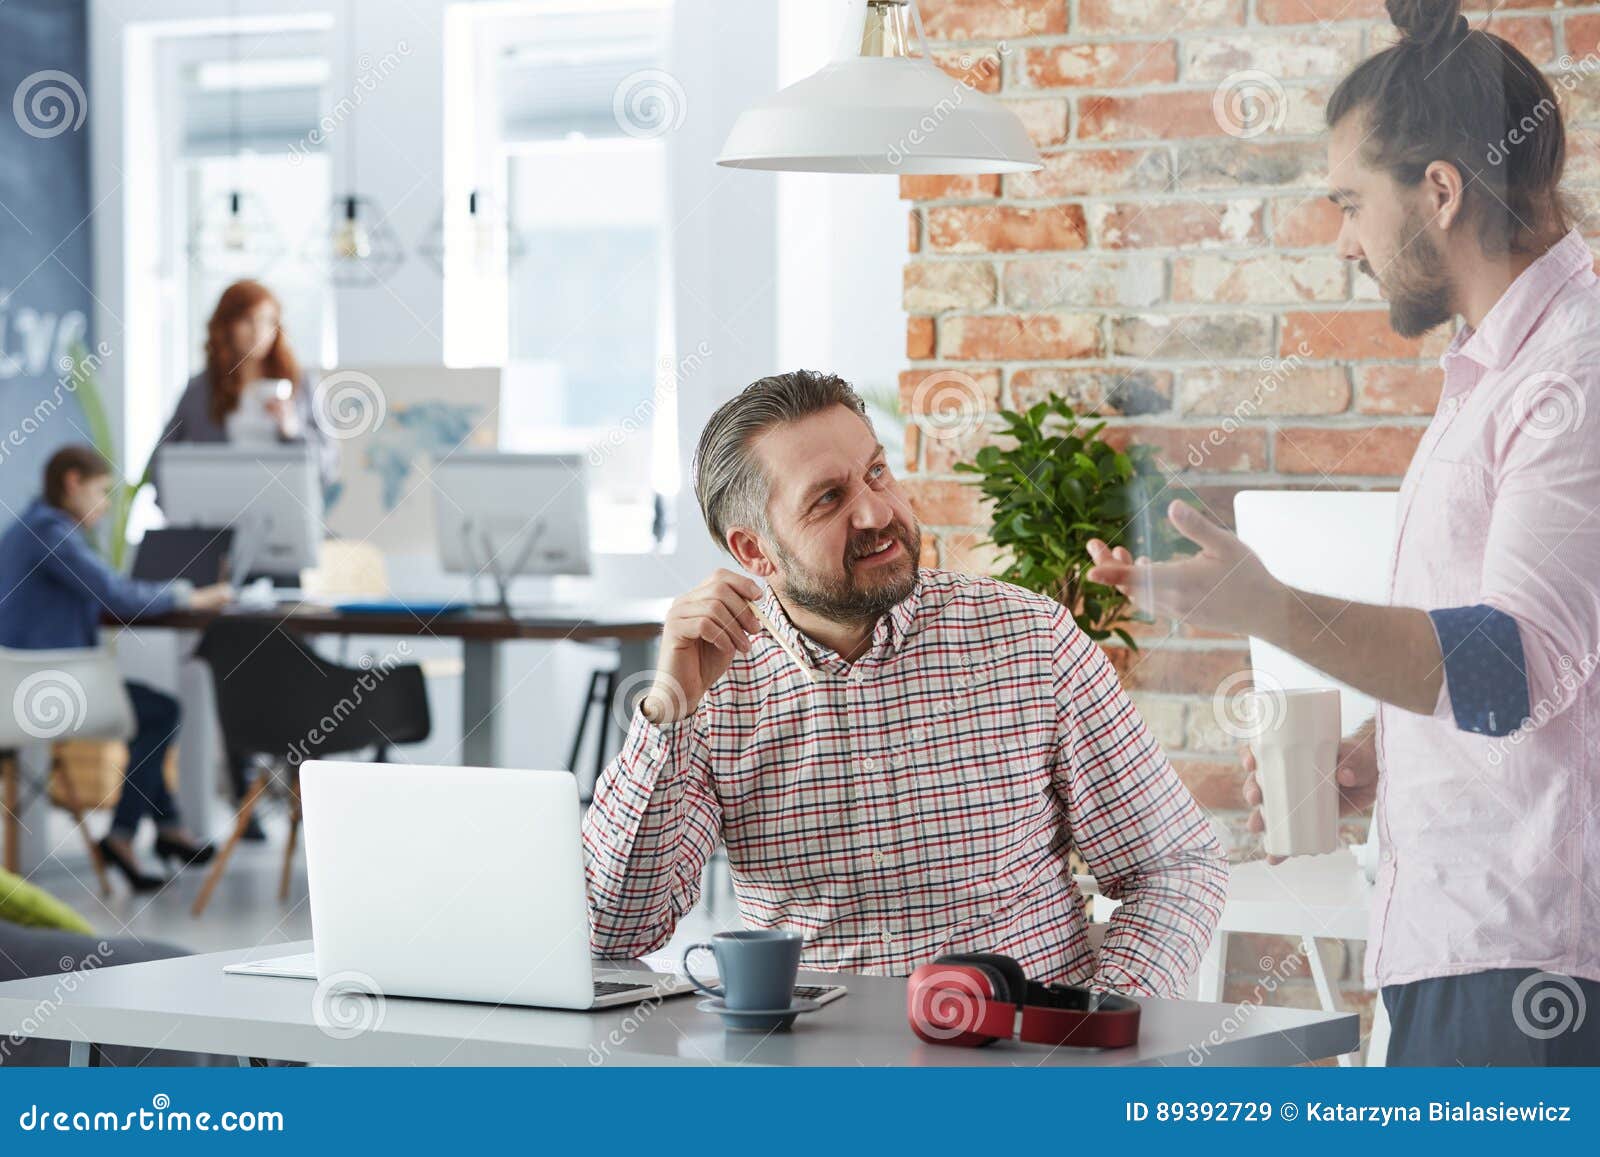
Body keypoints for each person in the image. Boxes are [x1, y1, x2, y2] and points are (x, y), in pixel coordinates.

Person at [1086, 0, 1599, 1064]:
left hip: (1532, 963)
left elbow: (1516, 663)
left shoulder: (1571, 377)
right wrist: (1387, 751)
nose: (1341, 242)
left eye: (1348, 203)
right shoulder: (1494, 369)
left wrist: (1268, 608)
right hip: (1460, 939)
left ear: (1440, 192)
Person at [582, 370, 1227, 996]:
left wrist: (1094, 1027)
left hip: (1017, 1070)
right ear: (754, 552)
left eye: (877, 472)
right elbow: (611, 930)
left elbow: (1175, 868)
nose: (875, 512)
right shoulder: (717, 687)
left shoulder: (1030, 640)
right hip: (819, 1074)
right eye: (829, 499)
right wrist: (666, 716)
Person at [0, 446, 233, 891]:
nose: (106, 505)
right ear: (72, 483)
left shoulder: (28, 528)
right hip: (40, 691)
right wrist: (191, 596)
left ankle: (160, 828)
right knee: (160, 711)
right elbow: (117, 596)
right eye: (101, 491)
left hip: (20, 688)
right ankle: (129, 834)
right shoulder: (50, 532)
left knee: (152, 709)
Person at [155, 279, 336, 835]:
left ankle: (304, 799)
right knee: (227, 671)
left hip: (281, 550)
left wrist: (289, 430)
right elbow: (162, 468)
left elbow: (326, 472)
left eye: (270, 321)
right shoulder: (199, 389)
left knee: (293, 670)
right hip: (216, 557)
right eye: (250, 320)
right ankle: (244, 800)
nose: (260, 333)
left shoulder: (299, 386)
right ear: (226, 325)